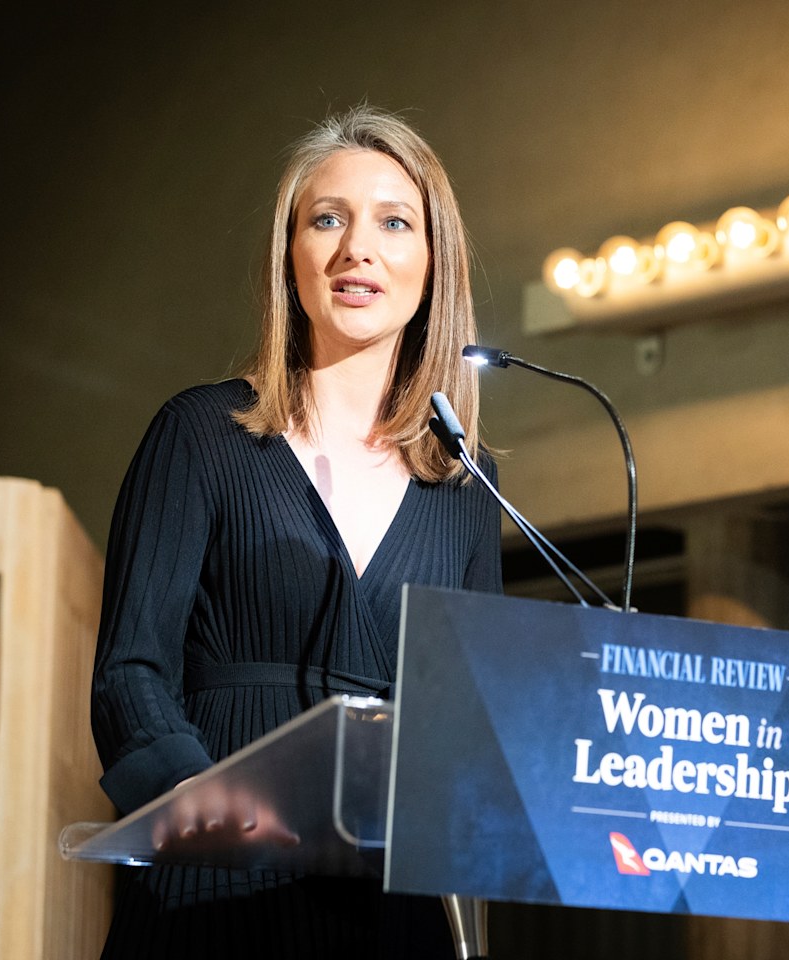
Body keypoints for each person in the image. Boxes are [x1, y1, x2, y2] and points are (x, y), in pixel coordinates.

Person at [90, 105, 501, 958]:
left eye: (394, 222)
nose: (359, 247)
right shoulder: (202, 434)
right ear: (292, 258)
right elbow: (130, 672)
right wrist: (202, 806)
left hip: (389, 902)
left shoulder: (466, 482)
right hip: (213, 885)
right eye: (327, 219)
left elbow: (470, 715)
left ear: (433, 264)